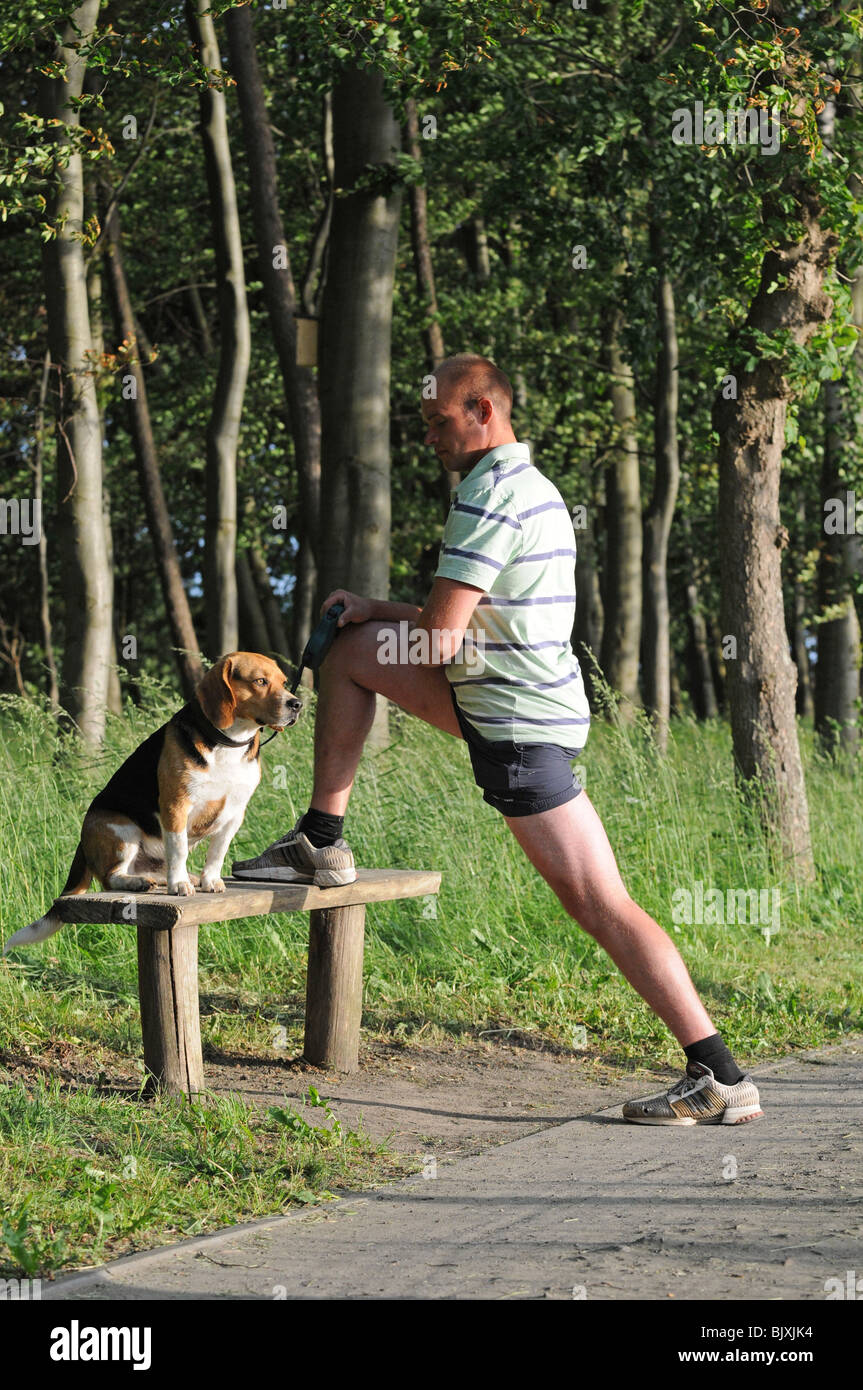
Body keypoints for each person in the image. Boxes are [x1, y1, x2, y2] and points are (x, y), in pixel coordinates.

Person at [233, 353, 763, 1127]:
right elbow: (474, 622)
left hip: (512, 724)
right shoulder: (532, 487)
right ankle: (322, 837)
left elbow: (444, 639)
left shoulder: (487, 497)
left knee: (600, 904)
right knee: (350, 654)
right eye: (421, 423)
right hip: (520, 704)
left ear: (483, 409)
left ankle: (717, 1073)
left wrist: (385, 618)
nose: (429, 436)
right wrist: (376, 608)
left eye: (438, 420)